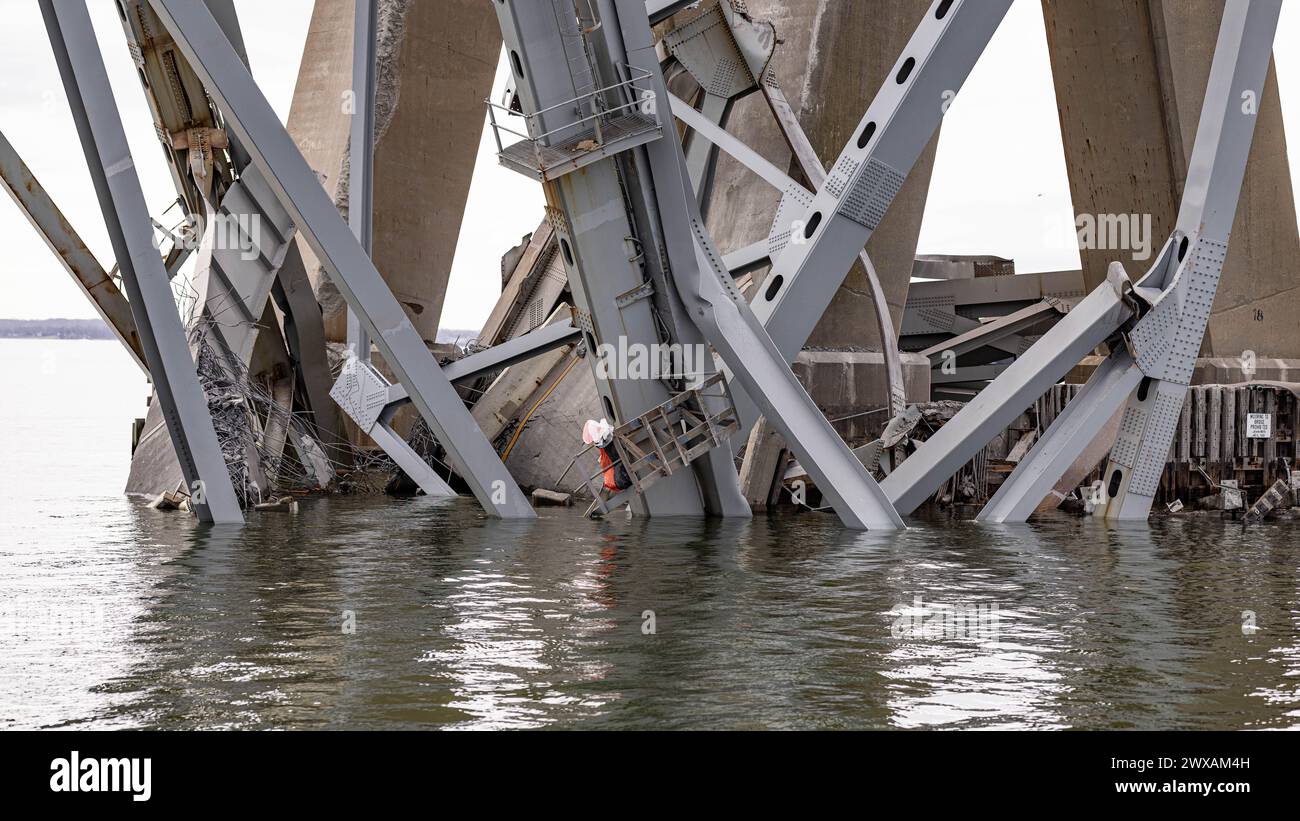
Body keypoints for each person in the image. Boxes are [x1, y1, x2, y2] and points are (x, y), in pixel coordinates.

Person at [582, 418, 632, 493]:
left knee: (613, 481)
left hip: (620, 469)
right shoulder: (607, 436)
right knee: (612, 479)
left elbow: (612, 459)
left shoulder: (605, 443)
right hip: (619, 464)